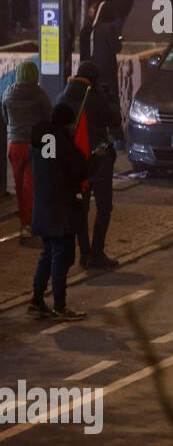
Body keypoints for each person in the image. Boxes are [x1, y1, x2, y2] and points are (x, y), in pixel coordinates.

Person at [28, 103, 97, 320]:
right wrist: (96, 159)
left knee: (47, 255)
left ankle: (37, 300)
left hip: (44, 206)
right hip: (62, 210)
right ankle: (60, 305)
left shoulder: (39, 141)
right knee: (62, 257)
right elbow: (78, 171)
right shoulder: (64, 143)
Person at [56, 62, 122, 269]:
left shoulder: (62, 98)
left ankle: (84, 254)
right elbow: (114, 120)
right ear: (93, 80)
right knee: (104, 207)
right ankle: (97, 252)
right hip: (98, 159)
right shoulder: (94, 98)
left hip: (74, 162)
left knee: (80, 209)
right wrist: (107, 98)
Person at [3, 60, 52, 239]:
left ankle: (23, 222)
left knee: (18, 184)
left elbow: (6, 118)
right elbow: (49, 118)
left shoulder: (7, 93)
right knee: (31, 185)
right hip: (33, 145)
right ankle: (32, 222)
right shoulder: (39, 95)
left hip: (14, 144)